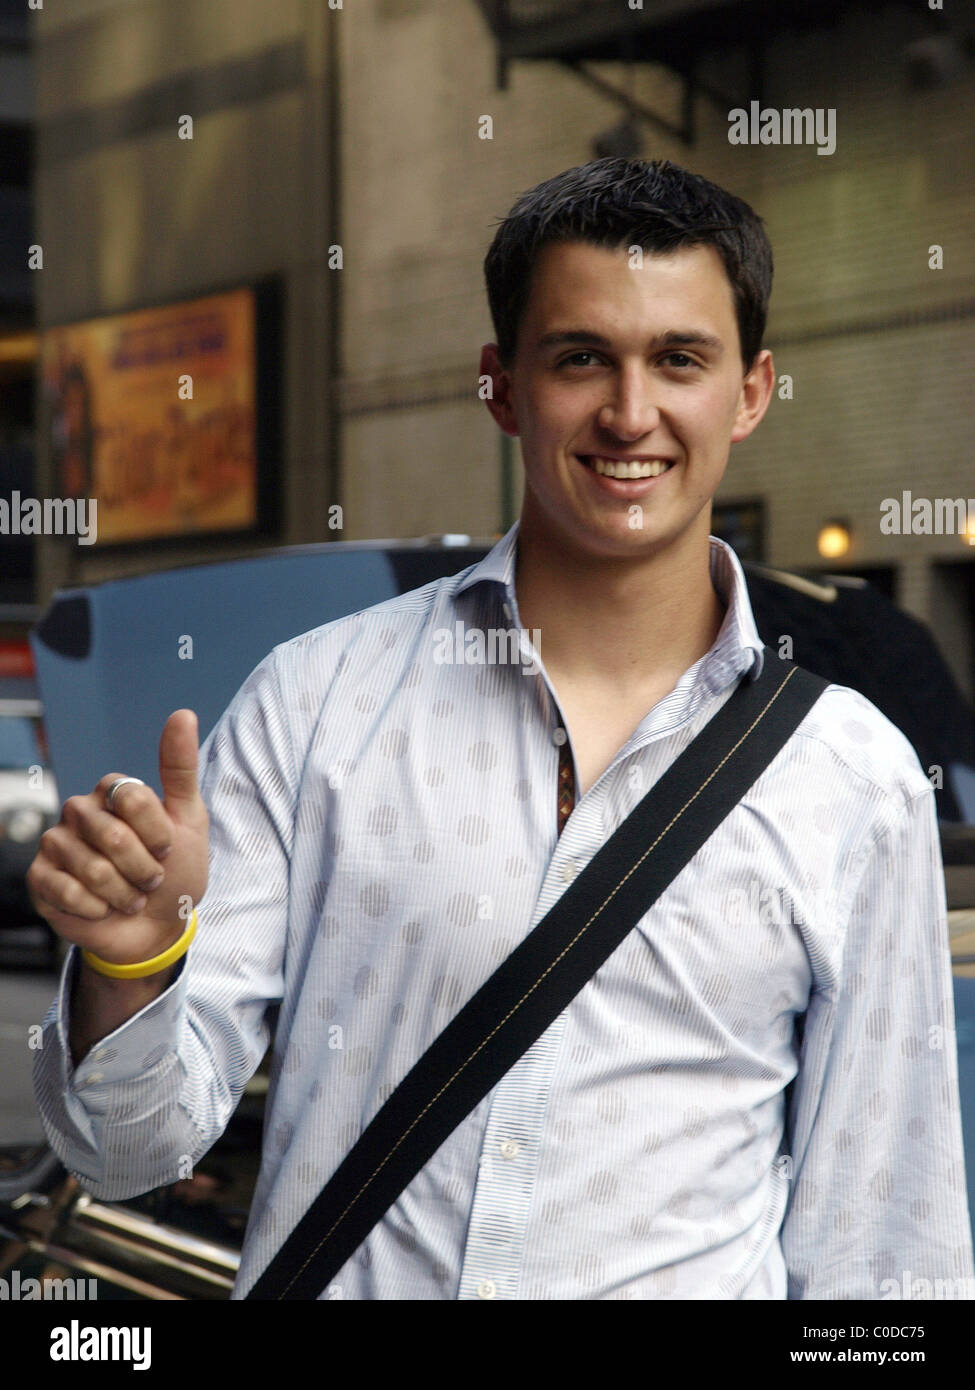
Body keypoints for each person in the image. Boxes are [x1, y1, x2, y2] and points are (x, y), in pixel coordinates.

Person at [30, 157, 974, 1300]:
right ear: (503, 387)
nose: (632, 413)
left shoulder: (855, 777)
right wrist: (135, 966)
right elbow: (129, 1151)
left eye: (679, 358)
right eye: (582, 357)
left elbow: (886, 1252)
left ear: (752, 392)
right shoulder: (314, 705)